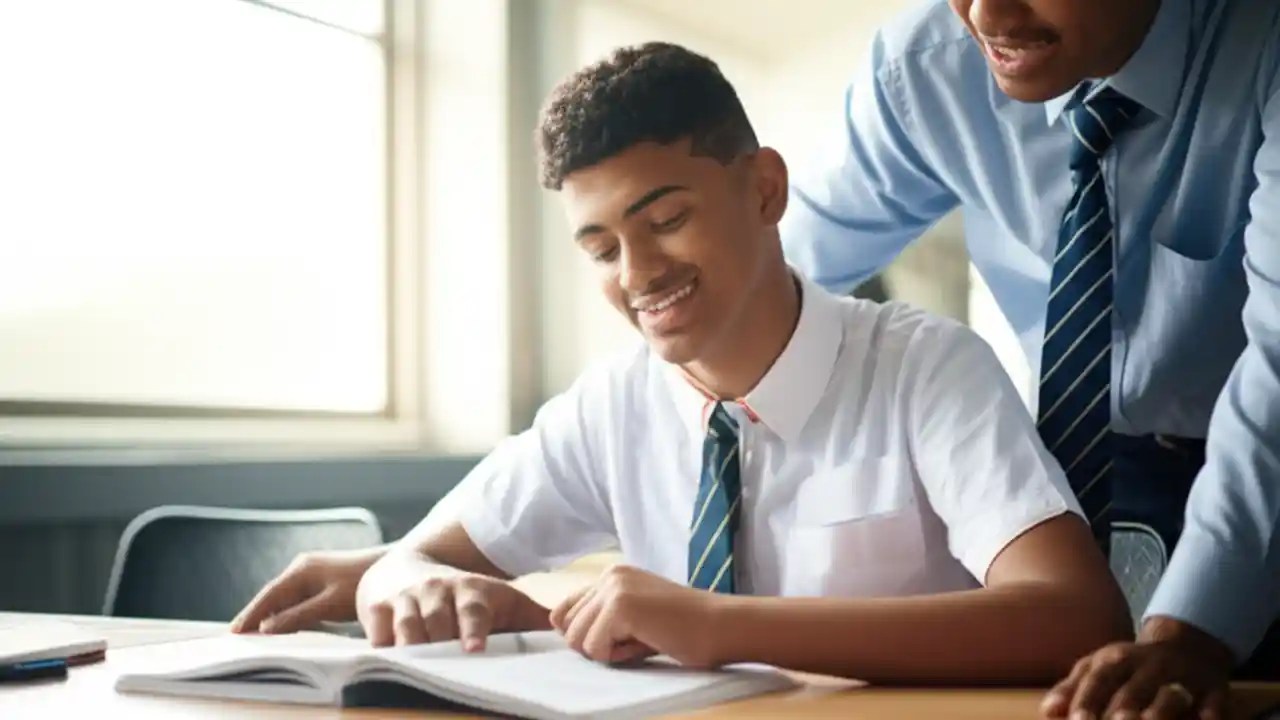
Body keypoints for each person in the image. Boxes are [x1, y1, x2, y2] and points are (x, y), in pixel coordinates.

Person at [231, 41, 1130, 683]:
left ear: (765, 189)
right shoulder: (610, 405)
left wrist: (715, 625)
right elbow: (416, 557)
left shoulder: (924, 367)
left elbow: (1073, 616)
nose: (640, 274)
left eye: (666, 222)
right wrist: (404, 576)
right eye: (601, 248)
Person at [777, 0, 1280, 717]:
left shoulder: (1264, 44)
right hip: (1070, 481)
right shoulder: (927, 66)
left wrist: (1192, 629)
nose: (985, 14)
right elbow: (773, 287)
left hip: (1253, 478)